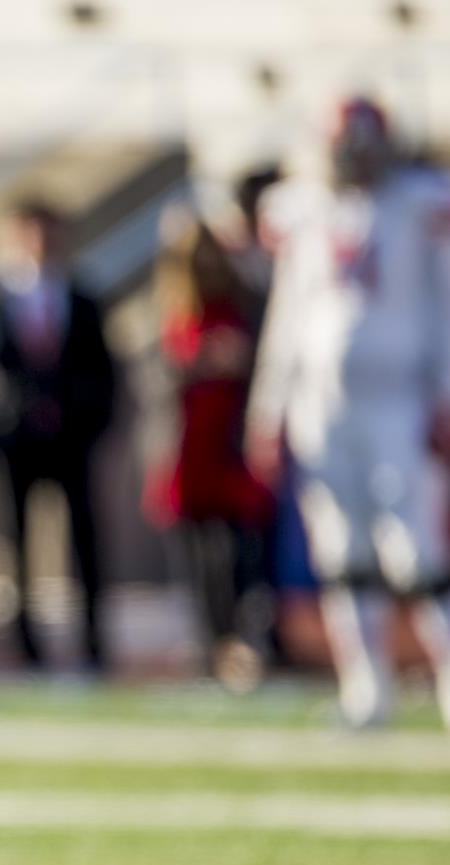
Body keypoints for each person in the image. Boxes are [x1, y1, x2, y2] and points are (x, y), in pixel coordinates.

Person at [246, 96, 450, 733]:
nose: (351, 157)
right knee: (340, 554)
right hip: (322, 403)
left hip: (401, 400)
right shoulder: (303, 208)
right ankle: (366, 691)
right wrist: (268, 408)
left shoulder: (423, 203)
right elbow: (287, 315)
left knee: (420, 552)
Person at [0, 199, 118, 673]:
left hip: (71, 439)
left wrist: (90, 423)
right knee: (15, 539)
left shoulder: (83, 298)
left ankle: (94, 635)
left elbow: (103, 372)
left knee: (85, 538)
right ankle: (24, 637)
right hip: (16, 442)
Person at [145, 209, 275, 690]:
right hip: (187, 451)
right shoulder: (170, 312)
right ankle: (212, 640)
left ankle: (246, 638)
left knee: (239, 552)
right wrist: (198, 363)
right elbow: (155, 377)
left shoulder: (241, 305)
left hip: (229, 447)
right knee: (198, 559)